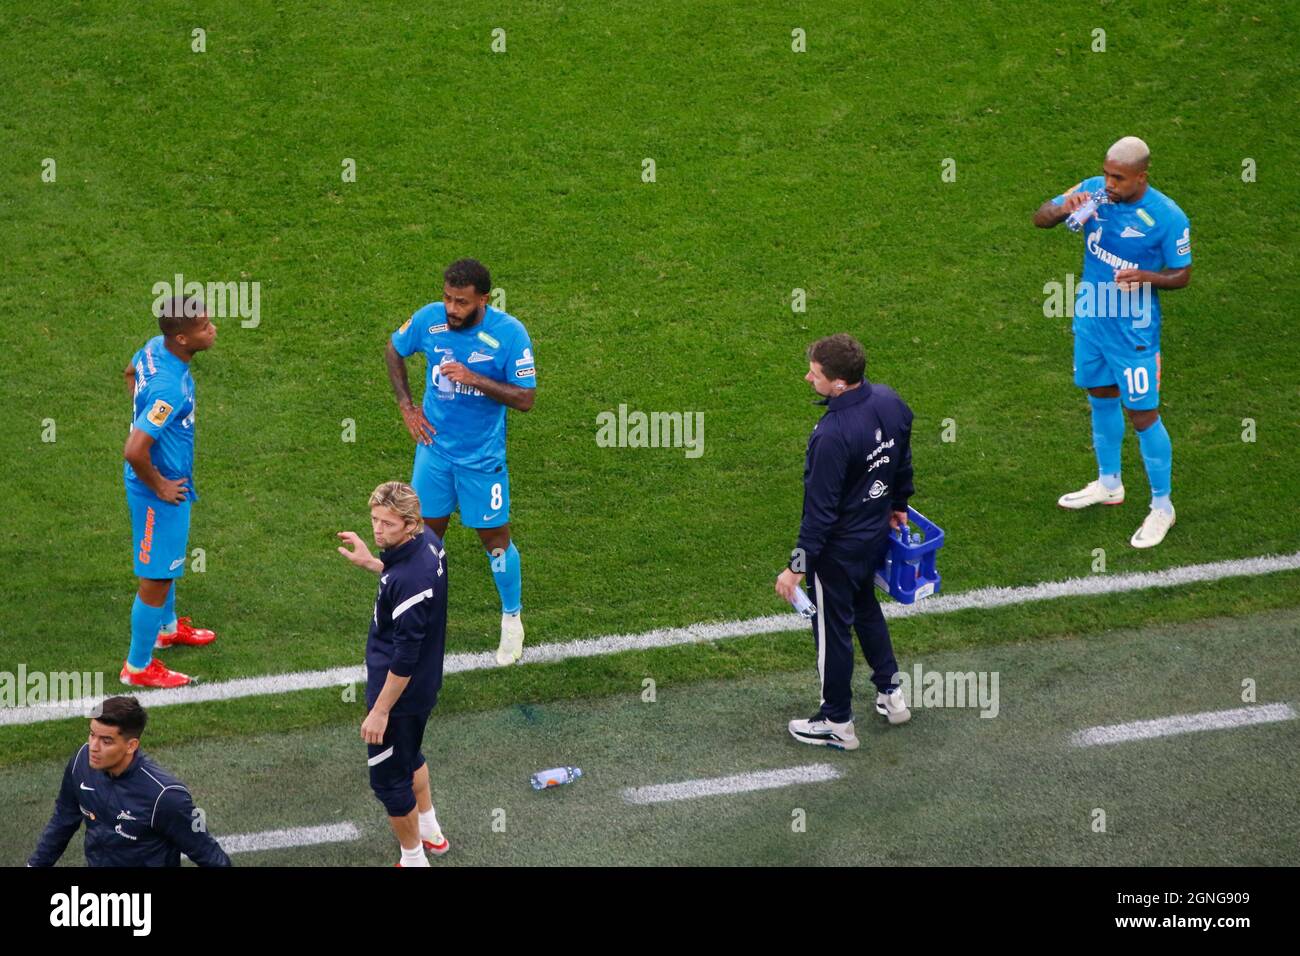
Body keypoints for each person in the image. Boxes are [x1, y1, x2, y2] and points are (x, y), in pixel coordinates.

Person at [1034, 135, 1192, 548]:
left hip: (1133, 332)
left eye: (1118, 178)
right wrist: (1060, 209)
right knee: (1100, 395)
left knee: (1143, 414)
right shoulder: (1092, 191)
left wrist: (1148, 277)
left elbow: (1182, 274)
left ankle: (1163, 507)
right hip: (1091, 318)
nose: (1109, 183)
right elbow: (1040, 219)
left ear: (1141, 176)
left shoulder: (1168, 217)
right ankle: (1109, 484)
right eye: (1106, 173)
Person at [385, 258, 536, 666]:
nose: (452, 308)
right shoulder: (429, 320)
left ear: (483, 299)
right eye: (448, 298)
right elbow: (394, 349)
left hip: (481, 461)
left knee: (495, 542)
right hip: (434, 454)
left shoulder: (509, 334)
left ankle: (511, 618)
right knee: (423, 542)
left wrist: (476, 379)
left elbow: (525, 399)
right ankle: (418, 620)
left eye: (462, 302)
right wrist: (407, 407)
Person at [775, 334, 914, 751]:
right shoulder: (890, 401)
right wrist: (899, 503)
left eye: (815, 374)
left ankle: (836, 719)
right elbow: (901, 458)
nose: (807, 378)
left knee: (831, 631)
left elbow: (818, 515)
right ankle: (892, 695)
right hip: (873, 535)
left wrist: (795, 567)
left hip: (836, 553)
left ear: (838, 383)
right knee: (866, 610)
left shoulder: (831, 434)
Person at [337, 481, 450, 867]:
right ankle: (431, 832)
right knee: (410, 756)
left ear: (409, 523)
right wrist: (373, 563)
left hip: (399, 694)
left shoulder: (410, 581)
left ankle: (414, 858)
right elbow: (403, 575)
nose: (378, 530)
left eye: (387, 523)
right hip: (422, 687)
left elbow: (404, 658)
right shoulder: (429, 541)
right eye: (374, 520)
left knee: (389, 782)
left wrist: (381, 710)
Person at [120, 295, 219, 688]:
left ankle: (167, 628)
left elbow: (129, 374)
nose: (212, 330)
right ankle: (138, 666)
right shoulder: (170, 389)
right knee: (157, 576)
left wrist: (141, 415)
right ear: (181, 338)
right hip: (157, 490)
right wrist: (159, 485)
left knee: (169, 562)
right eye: (204, 327)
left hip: (171, 481)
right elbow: (134, 450)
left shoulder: (152, 346)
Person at [27, 695, 231, 866]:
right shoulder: (82, 762)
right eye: (92, 735)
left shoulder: (166, 797)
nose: (94, 747)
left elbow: (210, 856)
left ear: (131, 745)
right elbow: (63, 820)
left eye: (106, 741)